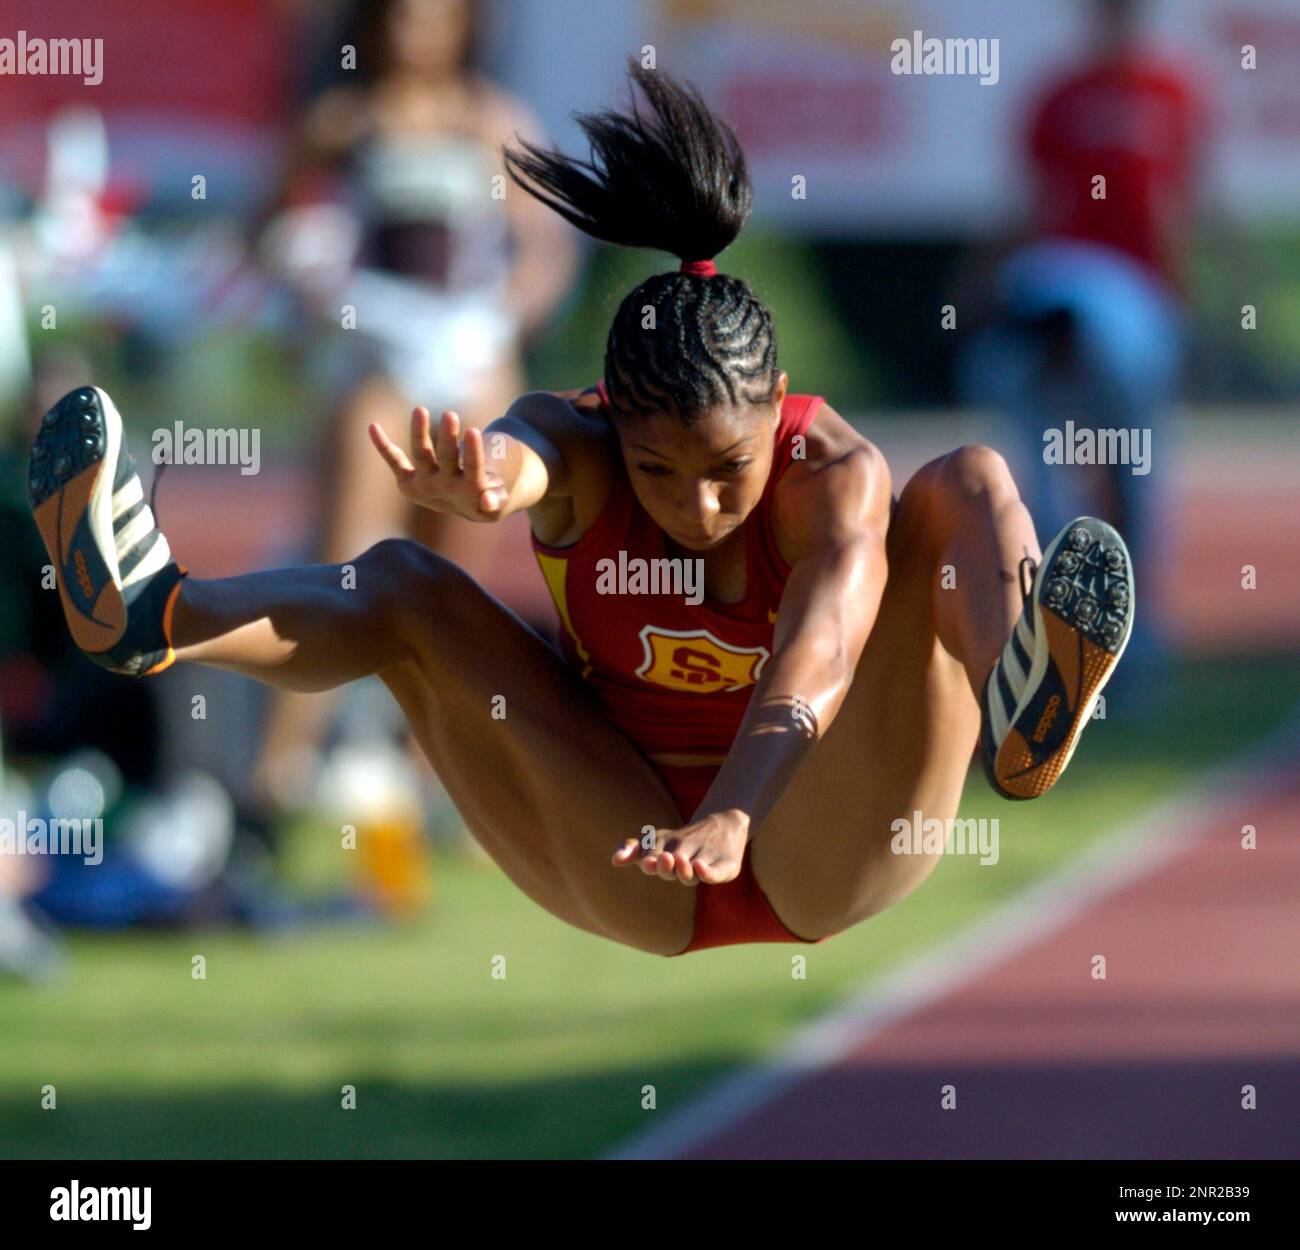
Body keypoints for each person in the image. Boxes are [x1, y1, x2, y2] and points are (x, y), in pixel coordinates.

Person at [26, 62, 1135, 957]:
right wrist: (489, 479)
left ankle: (1022, 708)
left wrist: (737, 812)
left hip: (821, 837)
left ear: (779, 416)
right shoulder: (582, 442)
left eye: (726, 471)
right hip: (623, 847)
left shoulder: (827, 475)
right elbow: (526, 453)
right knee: (408, 584)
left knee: (967, 484)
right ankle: (155, 614)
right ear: (616, 430)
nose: (697, 506)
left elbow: (825, 643)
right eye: (658, 472)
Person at [253, 0, 577, 812]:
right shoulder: (342, 120)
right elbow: (268, 223)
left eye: (433, 18)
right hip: (378, 359)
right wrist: (304, 279)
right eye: (401, 17)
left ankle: (439, 790)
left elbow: (546, 246)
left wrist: (509, 309)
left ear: (464, 26)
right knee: (339, 570)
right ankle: (276, 779)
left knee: (452, 592)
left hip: (467, 363)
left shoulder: (490, 121)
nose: (414, 35)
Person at [957, 0, 1204, 707]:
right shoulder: (1059, 97)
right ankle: (1054, 648)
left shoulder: (1174, 93)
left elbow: (1180, 204)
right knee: (1051, 489)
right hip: (1057, 292)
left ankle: (1133, 648)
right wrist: (979, 281)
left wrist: (1193, 301)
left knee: (1131, 483)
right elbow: (1032, 202)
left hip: (1130, 302)